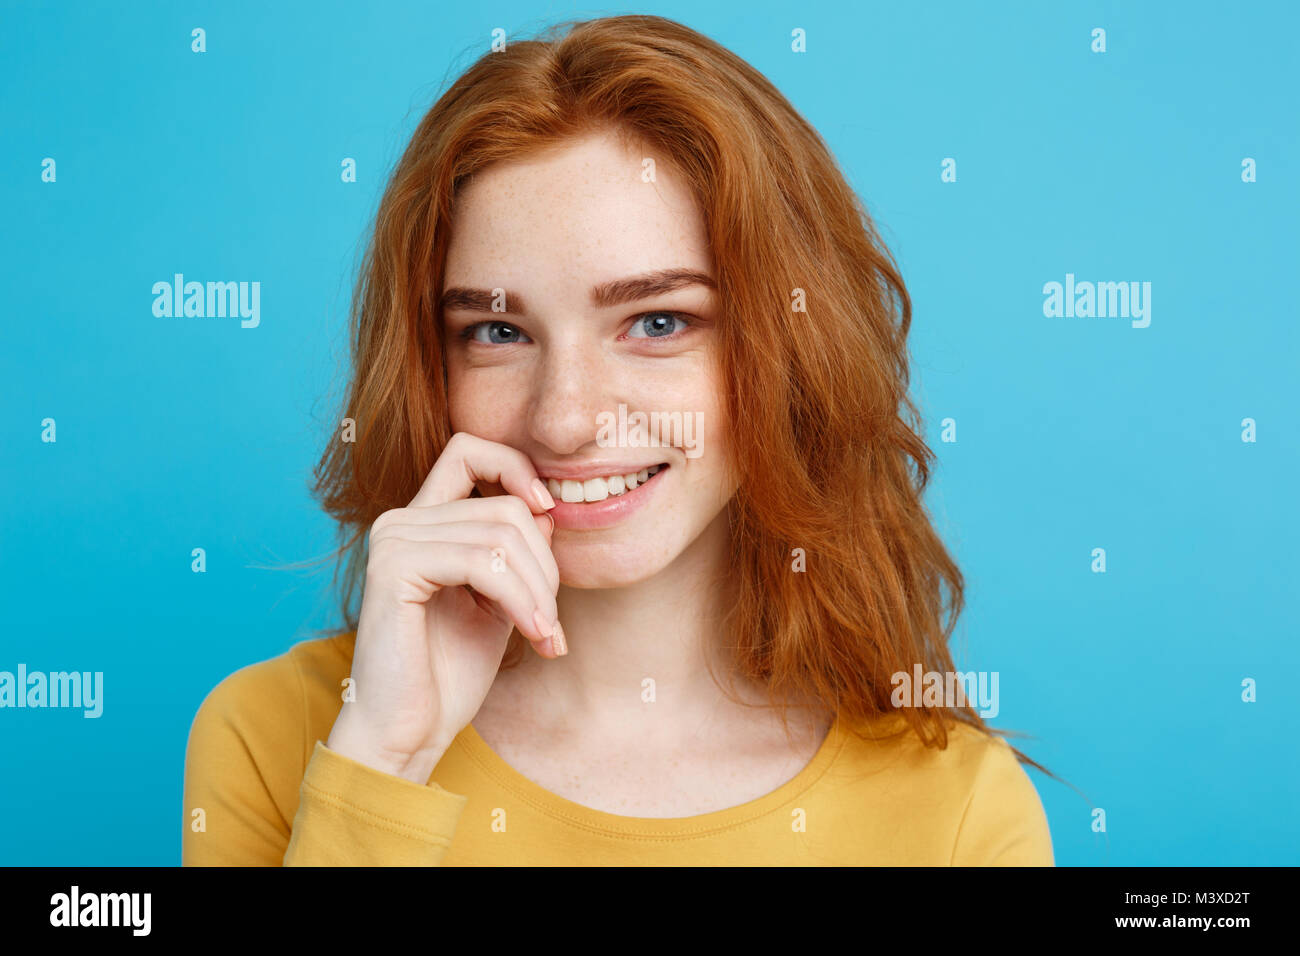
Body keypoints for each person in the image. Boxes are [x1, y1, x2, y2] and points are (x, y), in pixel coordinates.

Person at [182, 13, 1054, 865]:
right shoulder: (282, 736)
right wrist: (383, 764)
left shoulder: (955, 809)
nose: (563, 418)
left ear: (791, 345)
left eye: (658, 320)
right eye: (496, 333)